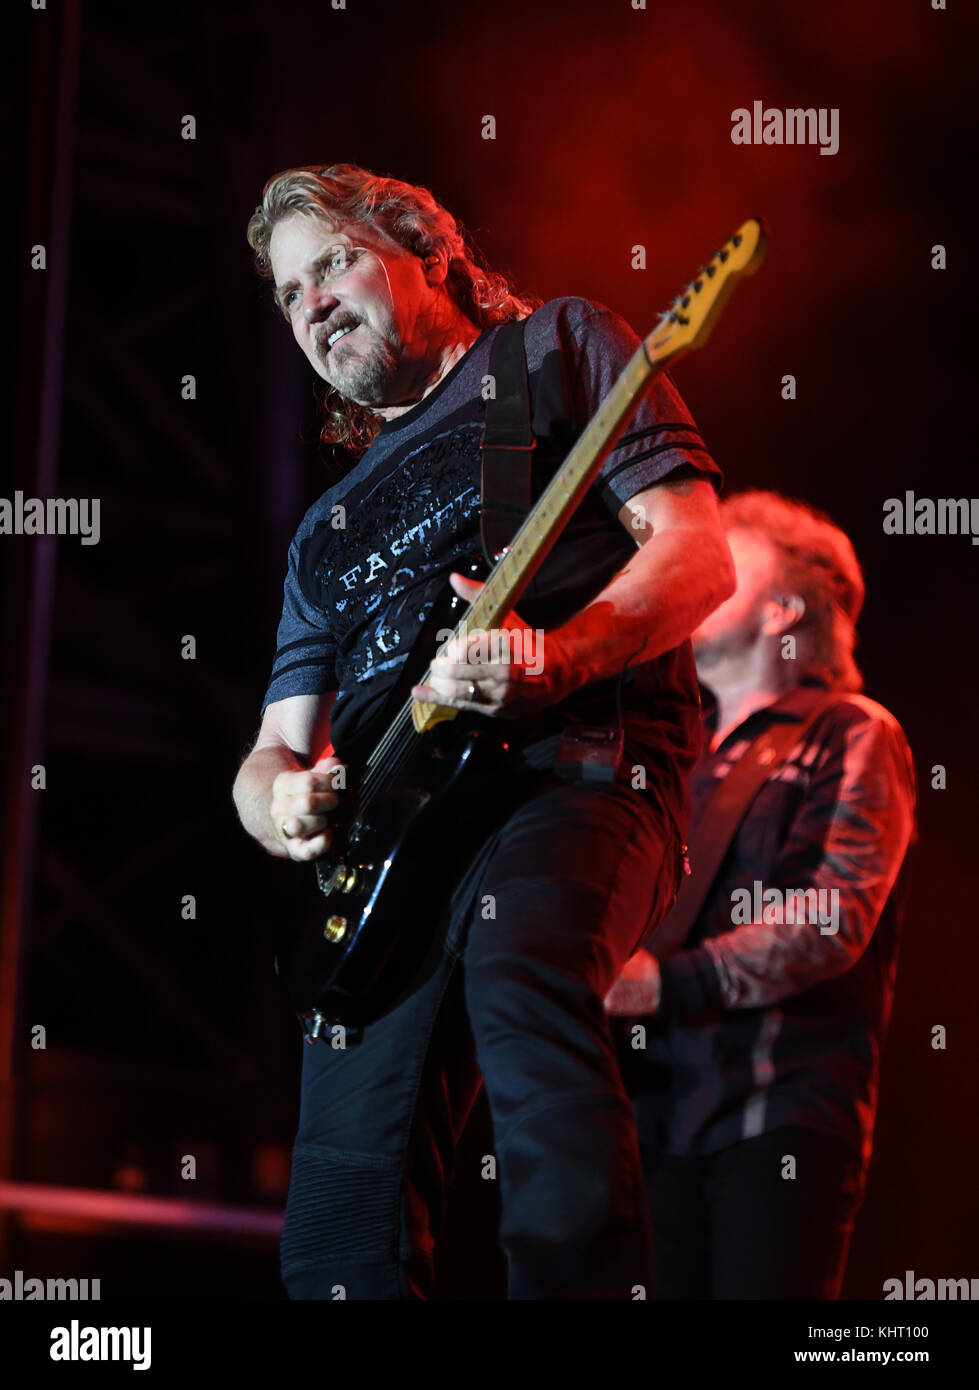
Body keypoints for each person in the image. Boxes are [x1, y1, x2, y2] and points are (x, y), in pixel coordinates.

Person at [232, 162, 735, 1300]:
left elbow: (698, 557)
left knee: (526, 989)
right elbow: (268, 752)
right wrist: (280, 801)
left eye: (335, 263)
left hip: (572, 770)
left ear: (428, 252)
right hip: (387, 853)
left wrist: (556, 656)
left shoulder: (555, 351)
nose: (311, 302)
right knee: (333, 1221)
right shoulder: (323, 528)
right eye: (288, 293)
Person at [606, 490, 916, 1299]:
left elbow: (831, 913)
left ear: (781, 608)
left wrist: (664, 982)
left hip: (776, 1110)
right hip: (656, 1111)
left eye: (726, 567)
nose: (697, 579)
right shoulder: (682, 754)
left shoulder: (852, 729)